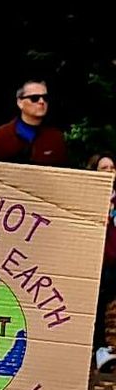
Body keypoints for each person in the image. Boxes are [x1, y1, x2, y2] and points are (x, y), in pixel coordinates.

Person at [0, 79, 68, 164]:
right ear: (20, 102)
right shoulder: (0, 137)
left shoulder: (56, 139)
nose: (42, 102)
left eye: (45, 98)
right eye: (34, 98)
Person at [91, 153, 115, 370]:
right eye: (104, 168)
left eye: (112, 168)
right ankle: (99, 350)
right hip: (99, 261)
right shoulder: (90, 199)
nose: (109, 172)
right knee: (98, 306)